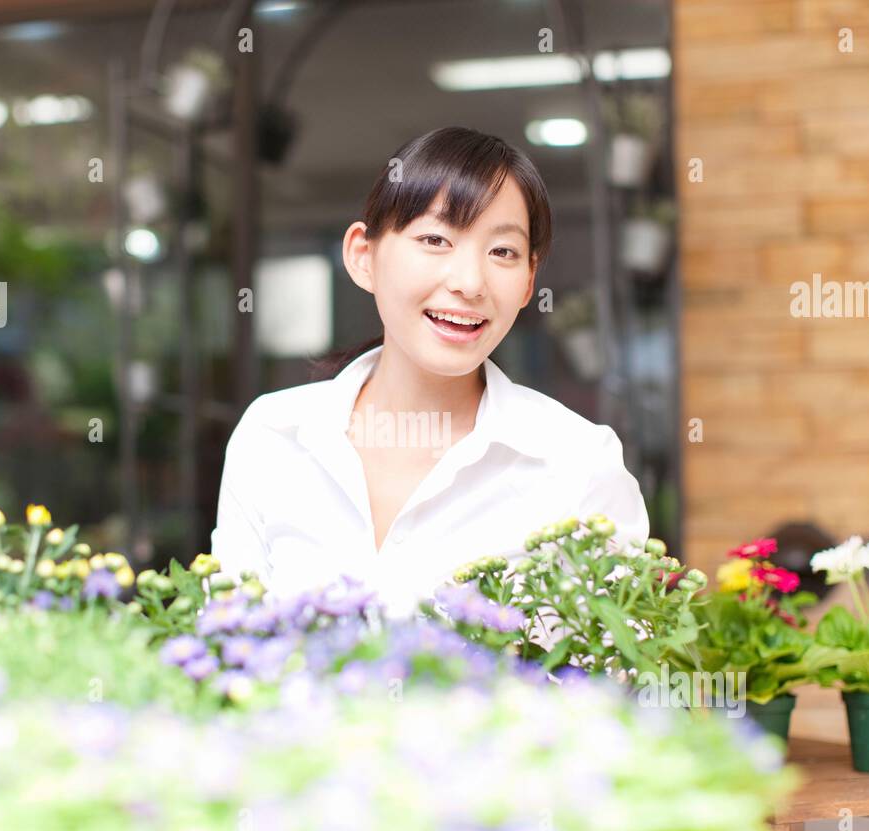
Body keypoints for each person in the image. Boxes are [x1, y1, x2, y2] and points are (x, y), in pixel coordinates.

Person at [210, 126, 649, 618]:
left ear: (529, 280)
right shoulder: (272, 436)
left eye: (502, 251)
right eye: (435, 239)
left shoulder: (577, 463)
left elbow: (613, 680)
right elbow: (228, 651)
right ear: (363, 256)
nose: (469, 282)